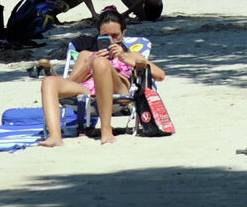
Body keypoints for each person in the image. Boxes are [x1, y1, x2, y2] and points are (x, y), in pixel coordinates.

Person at [37, 13, 165, 148]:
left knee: (101, 63)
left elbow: (160, 75)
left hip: (119, 88)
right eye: (105, 36)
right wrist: (88, 65)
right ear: (98, 34)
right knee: (49, 81)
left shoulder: (132, 55)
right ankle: (55, 136)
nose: (110, 40)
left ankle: (106, 129)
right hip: (88, 89)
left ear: (123, 32)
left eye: (115, 35)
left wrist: (124, 58)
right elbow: (72, 82)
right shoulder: (86, 54)